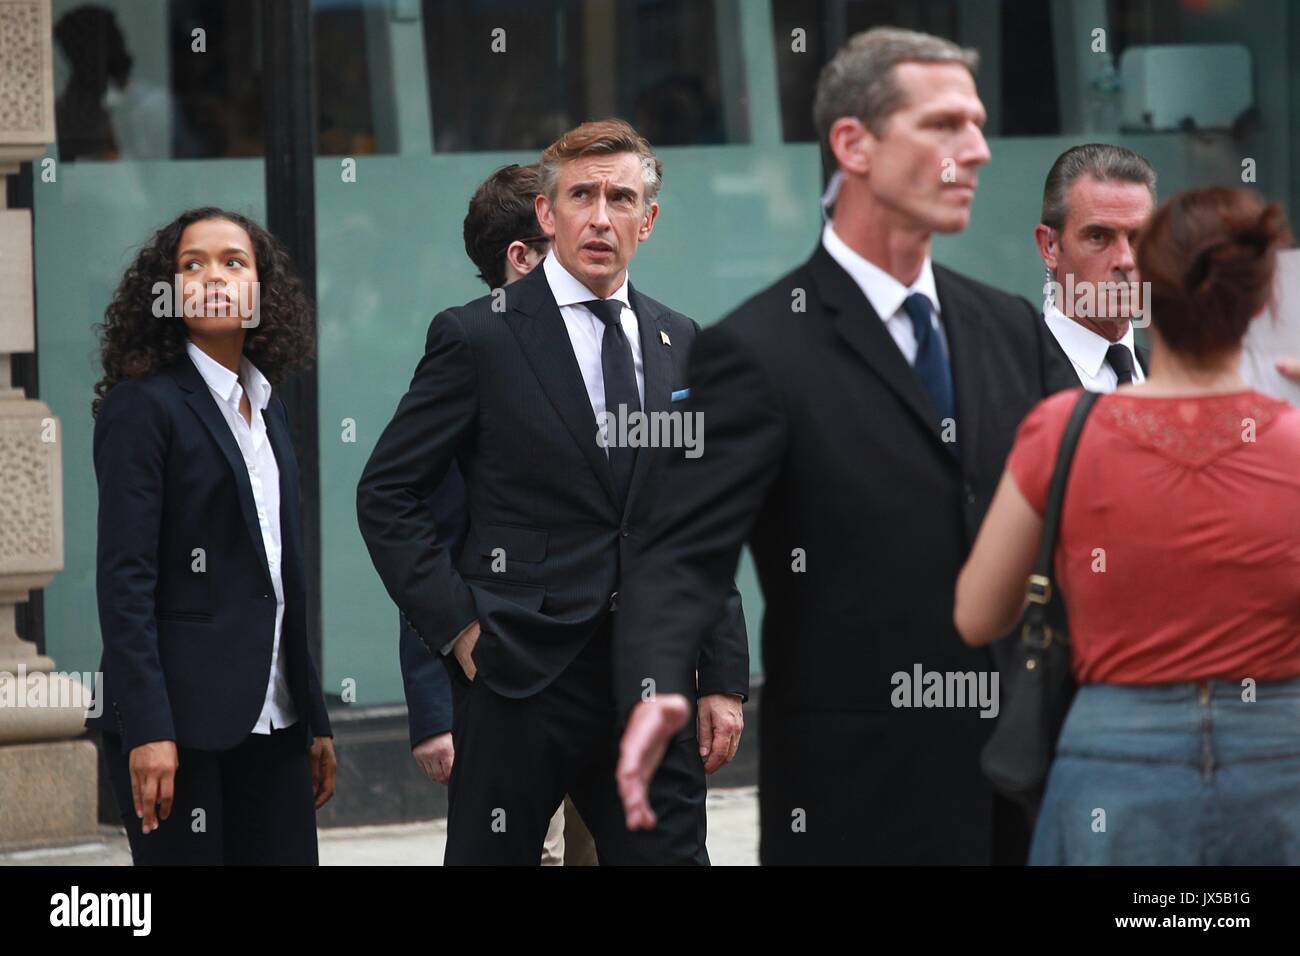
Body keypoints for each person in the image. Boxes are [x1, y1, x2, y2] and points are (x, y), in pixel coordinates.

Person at [613, 27, 1062, 864]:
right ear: (852, 143)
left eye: (978, 123)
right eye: (944, 125)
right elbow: (679, 555)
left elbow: (1082, 512)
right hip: (858, 801)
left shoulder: (1009, 329)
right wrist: (655, 687)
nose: (980, 150)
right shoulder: (757, 350)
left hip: (1026, 785)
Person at [357, 119, 748, 865]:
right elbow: (387, 494)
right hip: (517, 679)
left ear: (649, 219)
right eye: (583, 196)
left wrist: (722, 675)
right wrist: (463, 635)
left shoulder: (683, 341)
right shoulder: (480, 338)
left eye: (622, 197)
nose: (602, 216)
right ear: (547, 214)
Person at [955, 185, 1300, 865]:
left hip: (1114, 765)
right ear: (1261, 305)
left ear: (1148, 289)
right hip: (1279, 760)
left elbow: (976, 615)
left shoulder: (1061, 433)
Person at [88, 207, 336, 864]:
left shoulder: (268, 403)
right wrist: (146, 728)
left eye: (233, 261)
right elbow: (125, 579)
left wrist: (312, 714)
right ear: (165, 293)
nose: (214, 276)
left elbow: (279, 576)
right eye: (191, 264)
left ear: (261, 287)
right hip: (180, 726)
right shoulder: (143, 406)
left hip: (276, 722)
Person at [399, 161, 581, 864]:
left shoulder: (621, 344)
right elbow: (421, 533)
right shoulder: (472, 352)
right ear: (523, 254)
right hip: (514, 682)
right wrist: (435, 700)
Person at [1035, 145, 1154, 393]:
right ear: (1050, 246)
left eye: (1138, 237)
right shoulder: (1007, 378)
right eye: (1098, 236)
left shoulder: (1175, 385)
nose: (1126, 260)